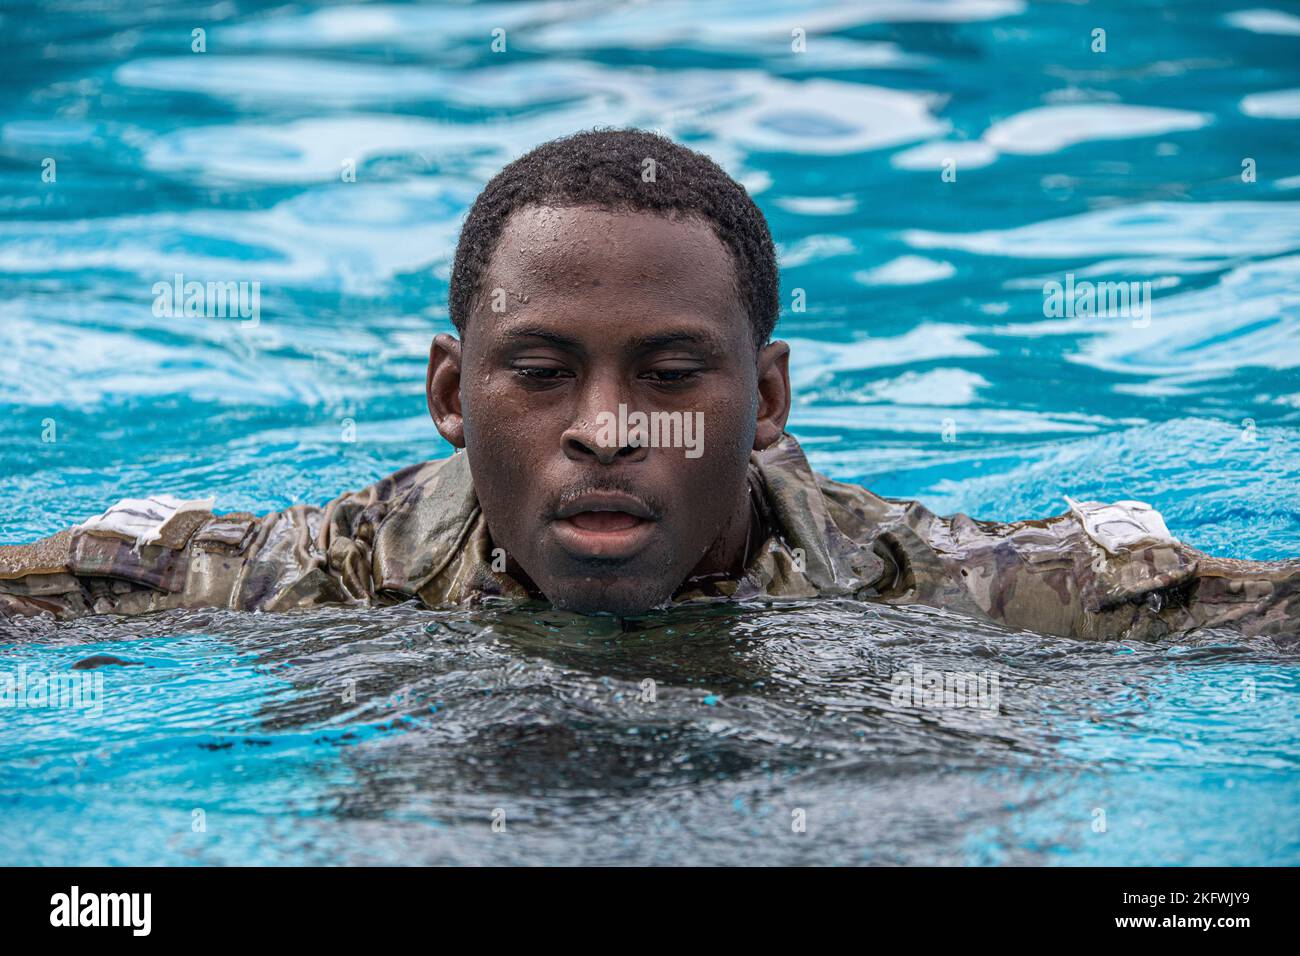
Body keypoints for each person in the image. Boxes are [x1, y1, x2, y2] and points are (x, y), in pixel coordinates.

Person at [1, 129, 1296, 641]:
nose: (606, 428)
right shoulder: (330, 572)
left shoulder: (945, 589)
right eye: (542, 374)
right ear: (451, 394)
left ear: (768, 400)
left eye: (672, 374)